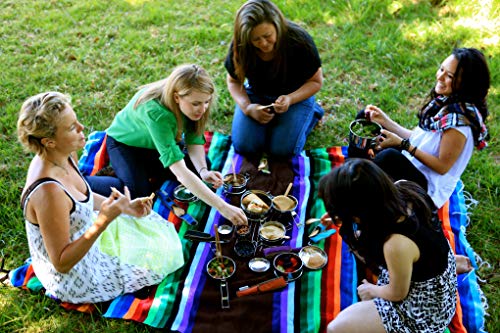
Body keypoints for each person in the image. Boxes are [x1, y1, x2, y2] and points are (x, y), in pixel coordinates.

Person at [17, 92, 185, 303]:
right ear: (49, 141)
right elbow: (61, 263)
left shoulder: (64, 152)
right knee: (159, 257)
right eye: (71, 127)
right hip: (75, 276)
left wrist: (126, 208)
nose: (81, 128)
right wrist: (102, 222)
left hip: (86, 233)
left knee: (160, 240)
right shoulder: (48, 193)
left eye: (76, 120)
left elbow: (81, 198)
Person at [86, 64, 247, 226]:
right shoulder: (157, 112)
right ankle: (84, 182)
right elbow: (181, 173)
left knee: (200, 170)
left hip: (156, 143)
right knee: (138, 195)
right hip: (125, 145)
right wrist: (222, 207)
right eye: (196, 104)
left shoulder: (192, 100)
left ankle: (138, 170)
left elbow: (194, 138)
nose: (203, 109)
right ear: (177, 97)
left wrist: (203, 171)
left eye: (206, 102)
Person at [319, 159, 457, 333]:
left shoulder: (396, 244)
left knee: (335, 328)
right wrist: (345, 216)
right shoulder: (405, 187)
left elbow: (397, 293)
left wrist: (372, 290)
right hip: (433, 267)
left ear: (359, 213)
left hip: (425, 309)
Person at [360, 47, 490, 210]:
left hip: (427, 190)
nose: (440, 76)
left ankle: (357, 184)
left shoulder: (459, 124)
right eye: (442, 69)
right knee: (369, 120)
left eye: (449, 76)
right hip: (412, 162)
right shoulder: (447, 103)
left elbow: (442, 167)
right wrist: (385, 121)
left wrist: (402, 145)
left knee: (388, 157)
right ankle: (359, 172)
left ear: (465, 84)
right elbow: (418, 138)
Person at [224, 0, 324, 158]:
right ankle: (280, 123)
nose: (263, 43)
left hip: (295, 96)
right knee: (245, 146)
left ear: (277, 25)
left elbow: (316, 81)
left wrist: (290, 99)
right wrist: (247, 108)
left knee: (282, 151)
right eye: (255, 39)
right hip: (257, 94)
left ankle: (312, 112)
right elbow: (233, 81)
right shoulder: (241, 45)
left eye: (267, 36)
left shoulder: (298, 40)